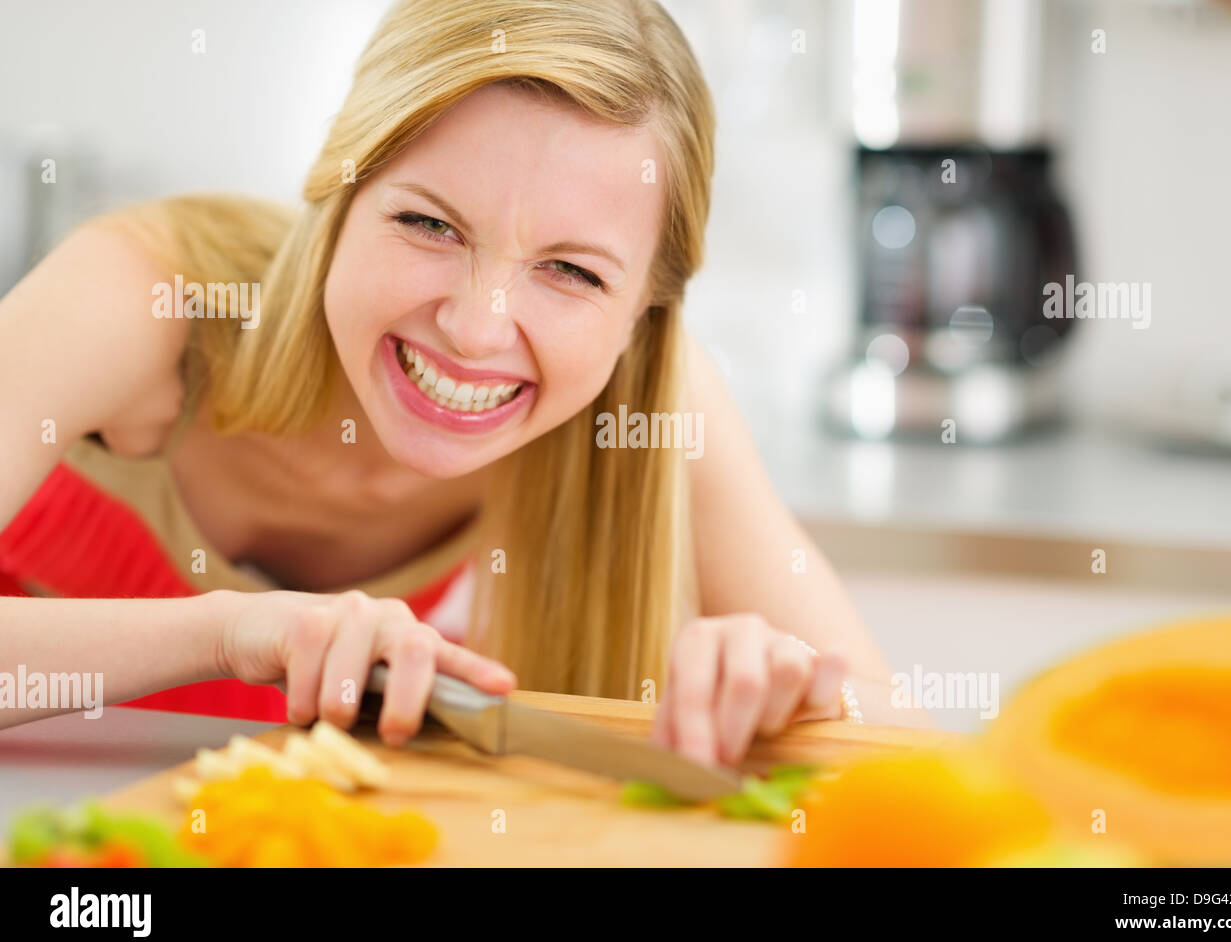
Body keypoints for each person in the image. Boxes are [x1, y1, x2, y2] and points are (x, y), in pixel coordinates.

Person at [0, 0, 898, 767]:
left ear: (642, 316)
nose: (475, 327)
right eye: (429, 223)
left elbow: (905, 745)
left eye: (573, 272)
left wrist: (794, 703)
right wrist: (231, 633)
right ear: (337, 196)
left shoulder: (653, 407)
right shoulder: (145, 297)